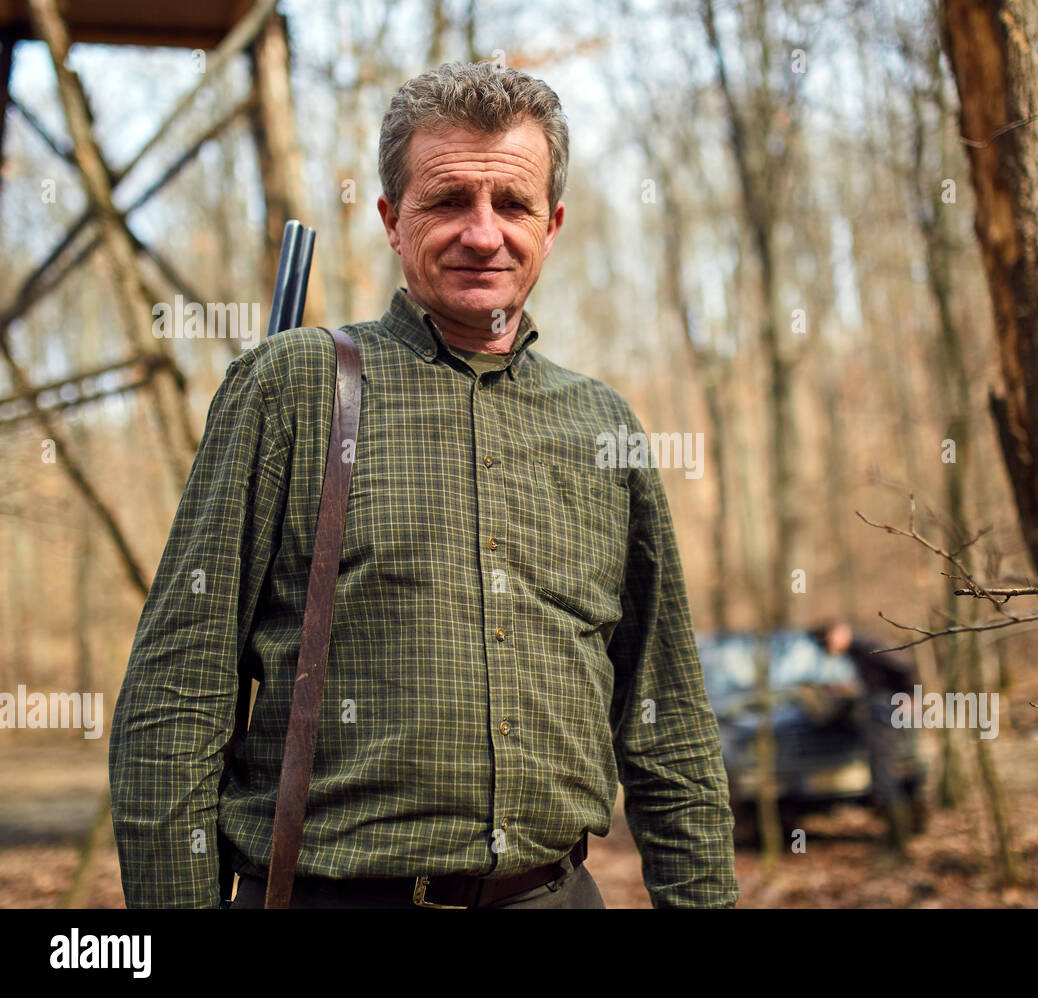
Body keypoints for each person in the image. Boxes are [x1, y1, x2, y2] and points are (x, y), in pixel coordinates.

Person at [108, 62, 737, 909]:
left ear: (550, 226)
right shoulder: (293, 387)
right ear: (391, 220)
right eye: (448, 201)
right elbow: (175, 699)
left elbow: (671, 722)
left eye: (511, 205)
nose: (484, 234)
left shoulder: (604, 425)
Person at [810, 621, 925, 851]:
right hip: (879, 709)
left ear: (838, 632)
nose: (829, 650)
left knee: (885, 777)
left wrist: (912, 694)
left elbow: (902, 666)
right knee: (882, 776)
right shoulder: (856, 651)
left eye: (826, 643)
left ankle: (898, 846)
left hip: (883, 712)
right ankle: (895, 841)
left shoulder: (867, 645)